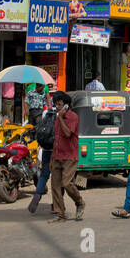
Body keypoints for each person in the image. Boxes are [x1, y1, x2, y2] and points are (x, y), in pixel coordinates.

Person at [48, 91, 85, 222]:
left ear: (66, 106)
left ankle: (79, 202)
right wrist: (52, 158)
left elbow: (68, 133)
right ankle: (60, 214)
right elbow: (56, 140)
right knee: (55, 186)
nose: (57, 107)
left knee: (66, 183)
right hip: (58, 155)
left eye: (59, 104)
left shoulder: (73, 117)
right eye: (56, 104)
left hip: (70, 156)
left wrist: (60, 118)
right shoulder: (57, 119)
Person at [28, 100, 57, 215]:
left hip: (46, 149)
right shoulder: (61, 114)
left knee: (44, 175)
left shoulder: (46, 113)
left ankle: (37, 195)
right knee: (57, 178)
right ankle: (55, 205)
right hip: (57, 151)